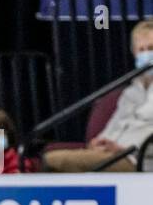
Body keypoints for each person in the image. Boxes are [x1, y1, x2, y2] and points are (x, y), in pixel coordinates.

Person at [44, 20, 153, 172]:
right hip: (110, 155)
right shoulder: (131, 92)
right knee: (48, 159)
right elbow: (114, 127)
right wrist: (98, 143)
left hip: (139, 161)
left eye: (151, 48)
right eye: (141, 50)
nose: (146, 55)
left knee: (54, 161)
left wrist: (124, 149)